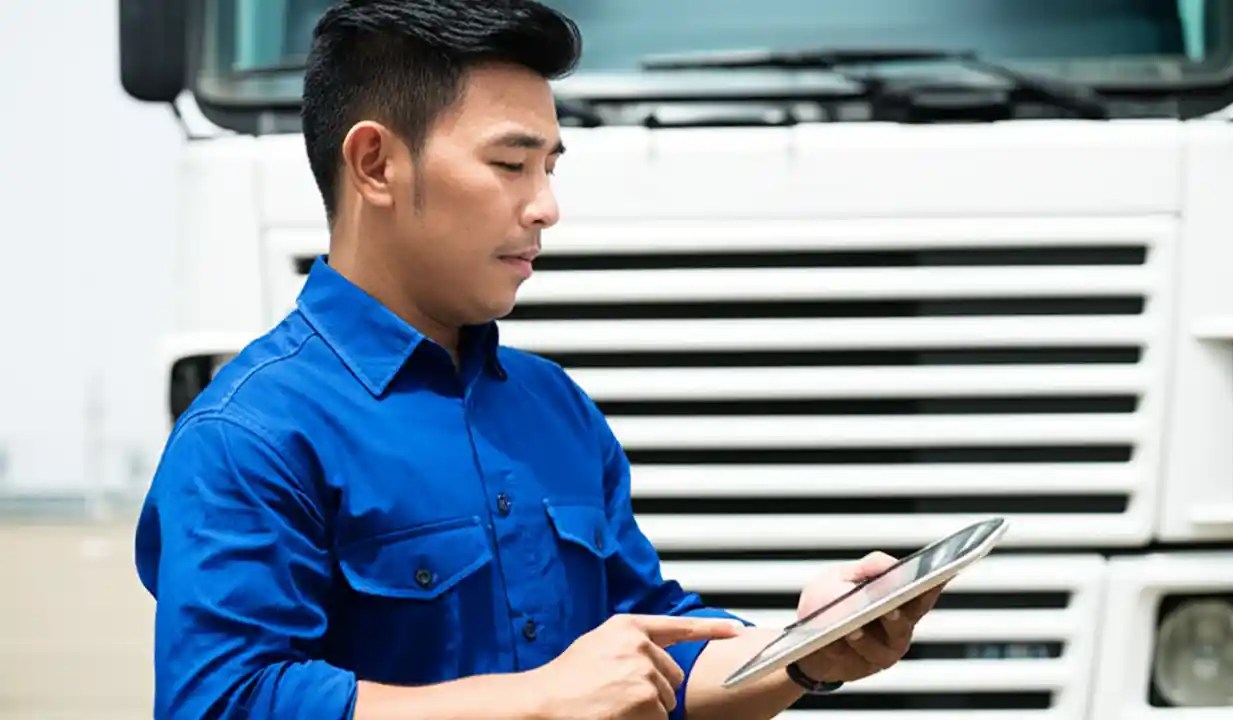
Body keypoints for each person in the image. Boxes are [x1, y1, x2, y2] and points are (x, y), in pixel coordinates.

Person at [133, 1, 942, 718]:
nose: (546, 207)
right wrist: (537, 700)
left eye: (549, 168)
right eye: (510, 164)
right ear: (375, 163)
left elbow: (656, 659)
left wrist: (804, 650)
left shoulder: (553, 409)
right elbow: (227, 700)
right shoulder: (247, 437)